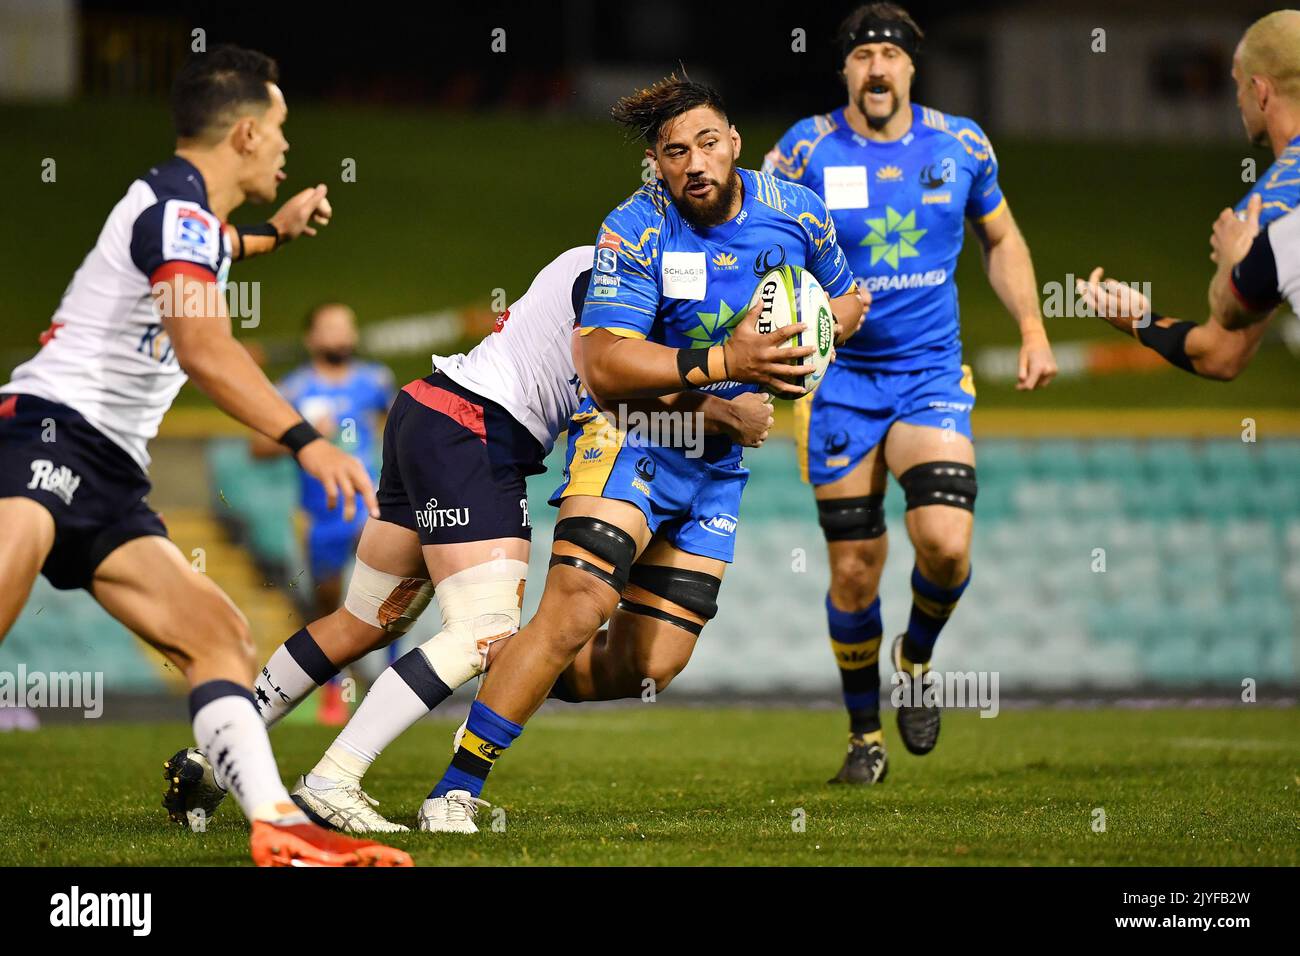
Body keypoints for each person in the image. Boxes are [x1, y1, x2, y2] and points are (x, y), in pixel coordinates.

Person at [164, 245, 775, 833]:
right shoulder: (614, 277)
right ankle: (333, 781)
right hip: (479, 428)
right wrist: (722, 409)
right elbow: (608, 385)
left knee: (364, 620)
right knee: (481, 633)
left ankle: (215, 756)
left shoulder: (605, 266)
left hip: (430, 410)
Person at [415, 74, 867, 833]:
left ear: (736, 144)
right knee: (578, 604)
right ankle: (455, 790)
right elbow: (604, 365)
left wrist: (812, 340)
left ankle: (507, 665)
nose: (695, 162)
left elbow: (848, 299)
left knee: (647, 667)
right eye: (675, 151)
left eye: (708, 143)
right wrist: (730, 365)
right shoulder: (635, 227)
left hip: (715, 467)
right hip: (630, 436)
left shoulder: (796, 212)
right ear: (656, 163)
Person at [0, 44, 409, 866]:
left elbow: (216, 248)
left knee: (219, 637)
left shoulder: (183, 214)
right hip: (45, 431)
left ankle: (279, 826)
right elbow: (207, 351)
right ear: (249, 133)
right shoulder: (176, 214)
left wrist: (275, 237)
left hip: (108, 472)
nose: (290, 147)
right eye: (283, 128)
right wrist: (307, 440)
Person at [763, 2, 1057, 784]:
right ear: (845, 73)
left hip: (929, 374)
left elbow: (1002, 238)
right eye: (862, 57)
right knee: (855, 572)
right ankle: (865, 739)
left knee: (947, 545)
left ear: (911, 69)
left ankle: (916, 660)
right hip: (840, 385)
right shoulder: (803, 151)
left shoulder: (960, 143)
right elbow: (752, 241)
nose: (877, 68)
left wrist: (1032, 328)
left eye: (890, 56)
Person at [1083, 9, 1300, 380]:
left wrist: (1141, 321)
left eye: (1239, 84)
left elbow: (1219, 354)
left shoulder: (1268, 207)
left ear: (1260, 91)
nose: (1236, 100)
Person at [250, 302, 395, 725]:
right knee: (328, 607)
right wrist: (305, 438)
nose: (340, 335)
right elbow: (257, 447)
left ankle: (388, 685)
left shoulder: (375, 380)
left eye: (347, 326)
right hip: (321, 514)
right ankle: (334, 691)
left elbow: (403, 425)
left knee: (390, 592)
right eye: (331, 327)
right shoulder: (294, 389)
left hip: (368, 502)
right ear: (312, 339)